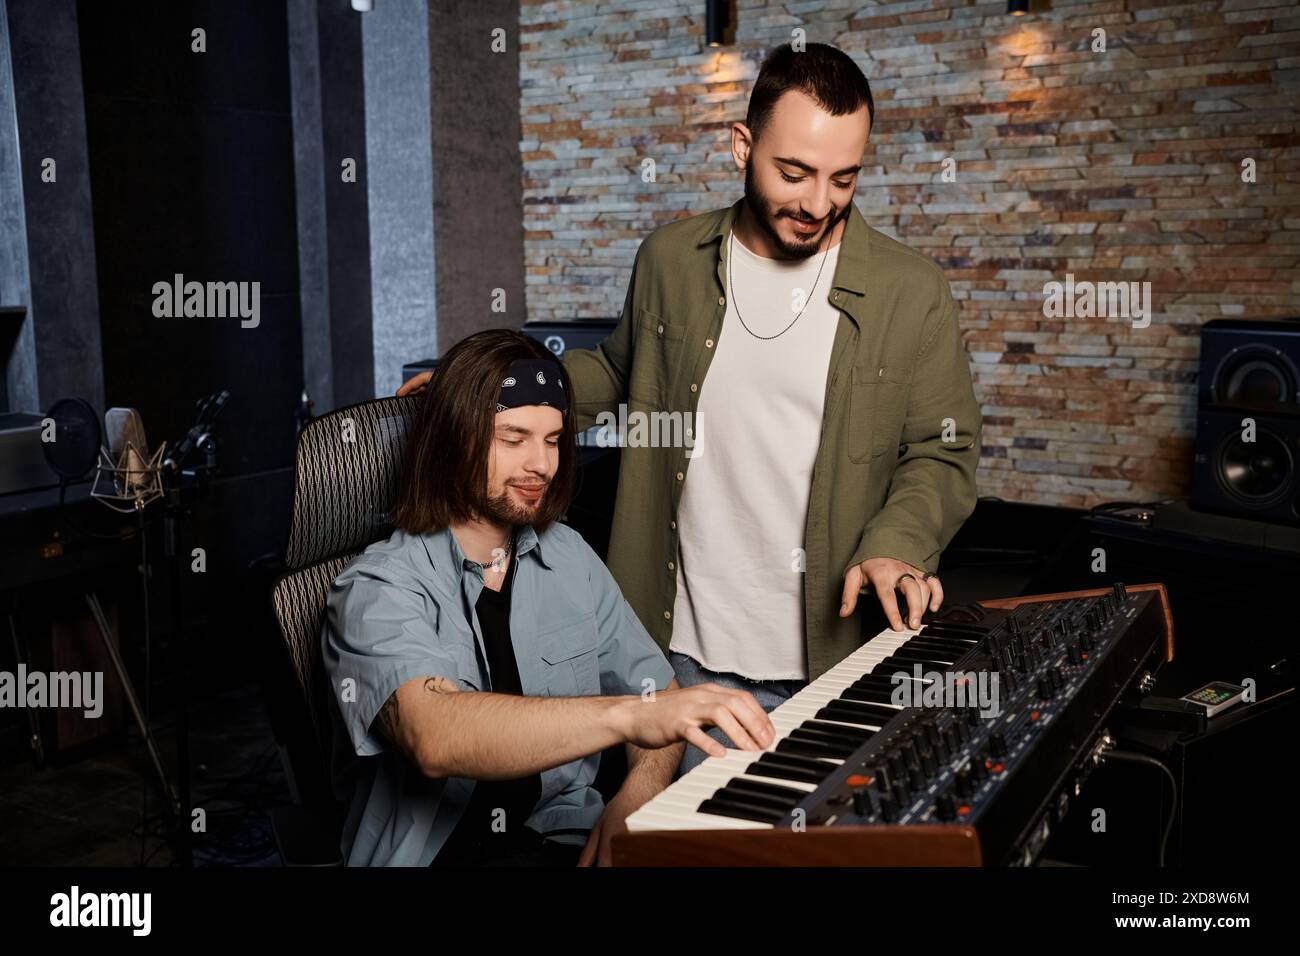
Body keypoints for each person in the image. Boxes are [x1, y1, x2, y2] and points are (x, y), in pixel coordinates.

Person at [400, 43, 981, 776]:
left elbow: (942, 447)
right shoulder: (669, 260)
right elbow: (614, 373)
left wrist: (899, 540)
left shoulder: (913, 291)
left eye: (845, 178)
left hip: (833, 667)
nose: (818, 203)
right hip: (675, 658)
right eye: (794, 172)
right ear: (741, 144)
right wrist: (488, 389)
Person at [324, 329, 774, 865]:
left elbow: (660, 694)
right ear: (453, 440)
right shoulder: (376, 589)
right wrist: (630, 716)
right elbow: (435, 736)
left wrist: (634, 800)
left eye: (554, 440)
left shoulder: (570, 557)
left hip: (559, 840)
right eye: (513, 439)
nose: (542, 464)